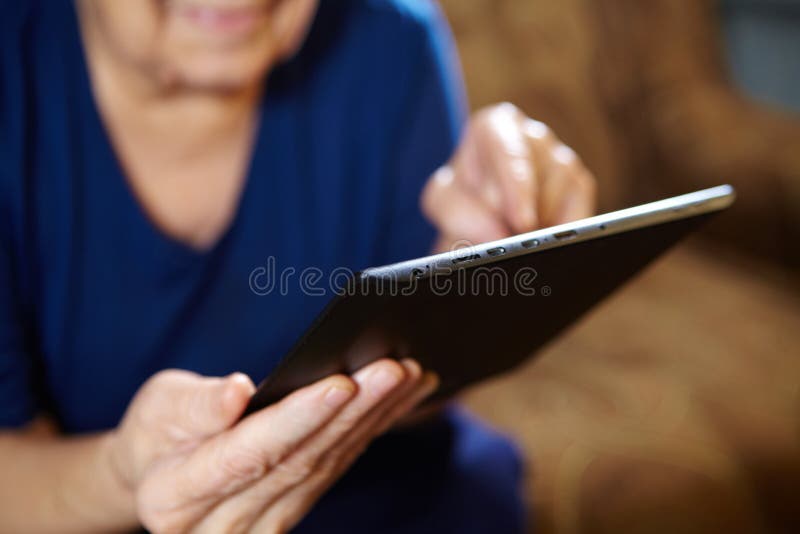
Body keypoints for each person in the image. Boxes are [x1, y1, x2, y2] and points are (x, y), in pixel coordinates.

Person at [0, 0, 596, 532]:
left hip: (372, 486)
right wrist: (124, 476)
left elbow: (415, 388)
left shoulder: (393, 39)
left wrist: (477, 268)